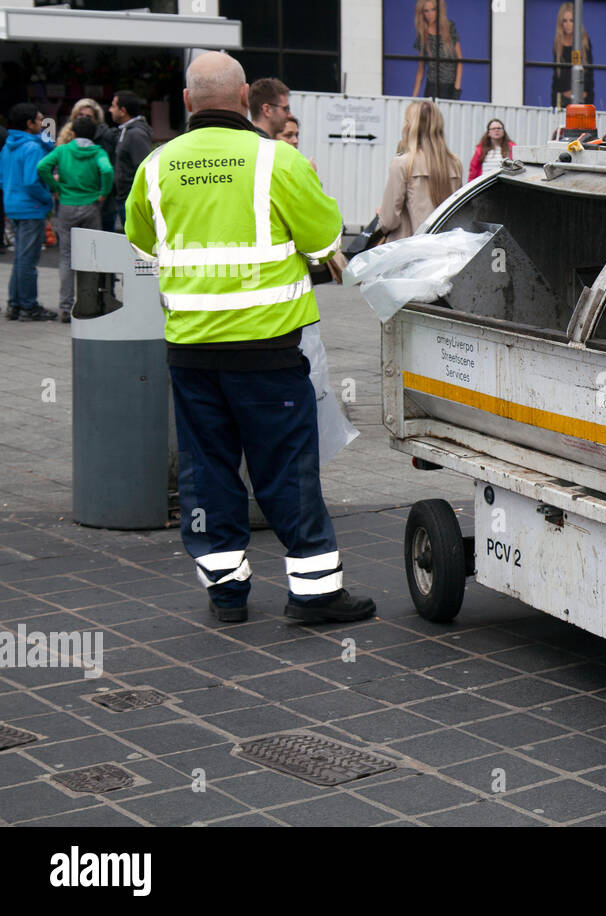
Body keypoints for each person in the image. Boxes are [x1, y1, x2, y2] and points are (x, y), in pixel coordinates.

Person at [123, 50, 375, 626]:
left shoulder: (156, 167)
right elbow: (323, 241)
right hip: (267, 351)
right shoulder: (276, 162)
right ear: (244, 100)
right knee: (286, 467)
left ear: (187, 102)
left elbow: (142, 245)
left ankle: (226, 593)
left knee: (206, 470)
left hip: (190, 352)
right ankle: (313, 593)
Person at [37, 114, 113, 322]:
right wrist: (103, 193)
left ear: (73, 132)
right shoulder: (98, 152)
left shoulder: (62, 150)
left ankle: (65, 307)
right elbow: (107, 169)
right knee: (91, 257)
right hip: (90, 206)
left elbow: (42, 167)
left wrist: (56, 188)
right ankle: (89, 305)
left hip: (68, 206)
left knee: (66, 256)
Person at [2, 103, 57, 321]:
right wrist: (48, 199)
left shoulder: (8, 146)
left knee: (20, 258)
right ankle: (28, 305)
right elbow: (32, 182)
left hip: (13, 205)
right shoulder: (32, 148)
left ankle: (15, 304)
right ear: (29, 123)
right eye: (40, 120)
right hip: (31, 208)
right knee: (28, 260)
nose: (43, 124)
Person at [378, 100, 462, 241]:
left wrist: (382, 218)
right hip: (445, 247)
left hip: (409, 248)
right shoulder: (455, 163)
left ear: (411, 127)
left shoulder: (402, 163)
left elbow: (389, 221)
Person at [56, 98, 119, 232]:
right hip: (74, 199)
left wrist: (104, 193)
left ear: (97, 118)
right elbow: (50, 166)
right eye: (80, 115)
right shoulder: (66, 137)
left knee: (100, 244)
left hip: (102, 202)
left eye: (88, 116)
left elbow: (109, 169)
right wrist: (56, 185)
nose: (84, 119)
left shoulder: (106, 136)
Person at [109, 90, 152, 224]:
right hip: (125, 198)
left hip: (131, 200)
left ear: (123, 111)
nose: (110, 110)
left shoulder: (135, 135)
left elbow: (144, 167)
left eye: (113, 106)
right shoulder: (125, 131)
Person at [412, 0, 462, 100]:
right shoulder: (423, 34)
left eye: (433, 9)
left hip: (450, 87)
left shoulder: (449, 27)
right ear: (422, 13)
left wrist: (457, 89)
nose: (430, 14)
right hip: (431, 87)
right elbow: (421, 70)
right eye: (426, 11)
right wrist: (413, 98)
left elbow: (459, 60)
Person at [551, 1, 593, 108]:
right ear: (561, 23)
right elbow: (556, 75)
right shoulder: (558, 43)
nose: (568, 25)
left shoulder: (583, 41)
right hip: (563, 97)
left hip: (581, 98)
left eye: (571, 20)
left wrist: (586, 93)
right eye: (565, 21)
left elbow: (589, 71)